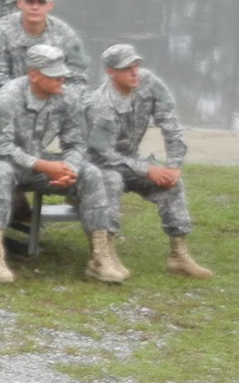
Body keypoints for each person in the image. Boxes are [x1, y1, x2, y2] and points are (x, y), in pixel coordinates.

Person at [0, 45, 123, 284]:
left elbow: (76, 143)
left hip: (40, 162)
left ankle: (99, 257)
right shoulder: (10, 96)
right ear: (34, 75)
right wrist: (43, 165)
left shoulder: (67, 98)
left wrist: (70, 169)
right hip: (6, 161)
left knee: (91, 174)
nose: (61, 78)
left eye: (62, 73)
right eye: (53, 75)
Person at [86, 44, 212, 279]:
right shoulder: (101, 104)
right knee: (110, 180)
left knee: (171, 183)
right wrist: (147, 169)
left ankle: (178, 255)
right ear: (111, 72)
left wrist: (173, 165)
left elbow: (171, 124)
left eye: (136, 66)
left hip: (130, 160)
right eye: (126, 69)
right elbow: (102, 153)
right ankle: (105, 254)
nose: (135, 73)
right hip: (98, 164)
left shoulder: (150, 83)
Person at [0, 0, 88, 96]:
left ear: (50, 5)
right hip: (9, 98)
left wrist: (59, 97)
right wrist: (27, 98)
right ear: (19, 3)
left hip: (54, 98)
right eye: (30, 1)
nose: (35, 7)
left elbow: (78, 76)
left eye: (41, 2)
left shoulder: (65, 34)